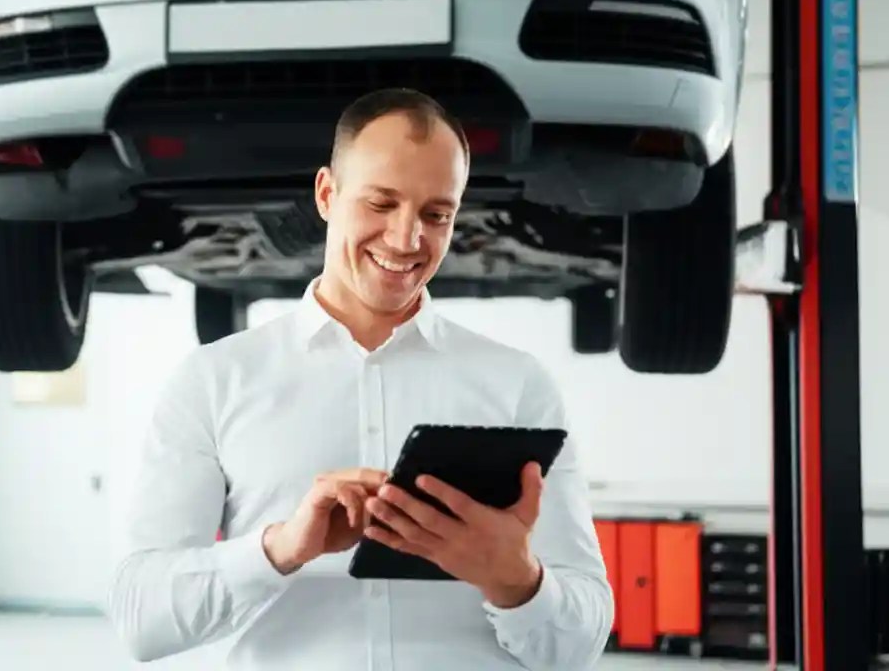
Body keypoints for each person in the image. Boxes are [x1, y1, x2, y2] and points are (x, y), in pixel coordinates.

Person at [106, 88, 613, 670]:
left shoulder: (518, 386)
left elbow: (580, 644)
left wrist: (516, 582)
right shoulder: (214, 380)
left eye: (435, 214)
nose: (406, 240)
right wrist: (279, 549)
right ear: (327, 194)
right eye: (381, 203)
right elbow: (140, 620)